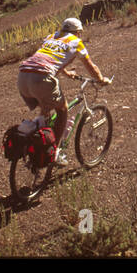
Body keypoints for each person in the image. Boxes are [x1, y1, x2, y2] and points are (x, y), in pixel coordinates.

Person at [17, 17, 109, 164]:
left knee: (45, 110)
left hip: (23, 76)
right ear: (78, 32)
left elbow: (48, 57)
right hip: (41, 78)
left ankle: (37, 142)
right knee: (62, 110)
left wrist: (66, 73)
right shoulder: (76, 42)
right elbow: (90, 66)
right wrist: (101, 79)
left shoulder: (51, 37)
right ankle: (55, 152)